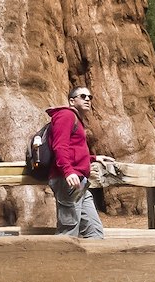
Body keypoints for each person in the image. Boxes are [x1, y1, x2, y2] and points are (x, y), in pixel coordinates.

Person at [45, 86, 109, 238]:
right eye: (83, 96)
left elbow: (74, 149)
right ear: (72, 101)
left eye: (90, 97)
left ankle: (91, 261)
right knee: (69, 230)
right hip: (68, 180)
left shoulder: (76, 119)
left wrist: (94, 158)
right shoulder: (65, 115)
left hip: (80, 182)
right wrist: (68, 171)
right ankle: (59, 261)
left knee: (94, 231)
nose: (88, 99)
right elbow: (60, 146)